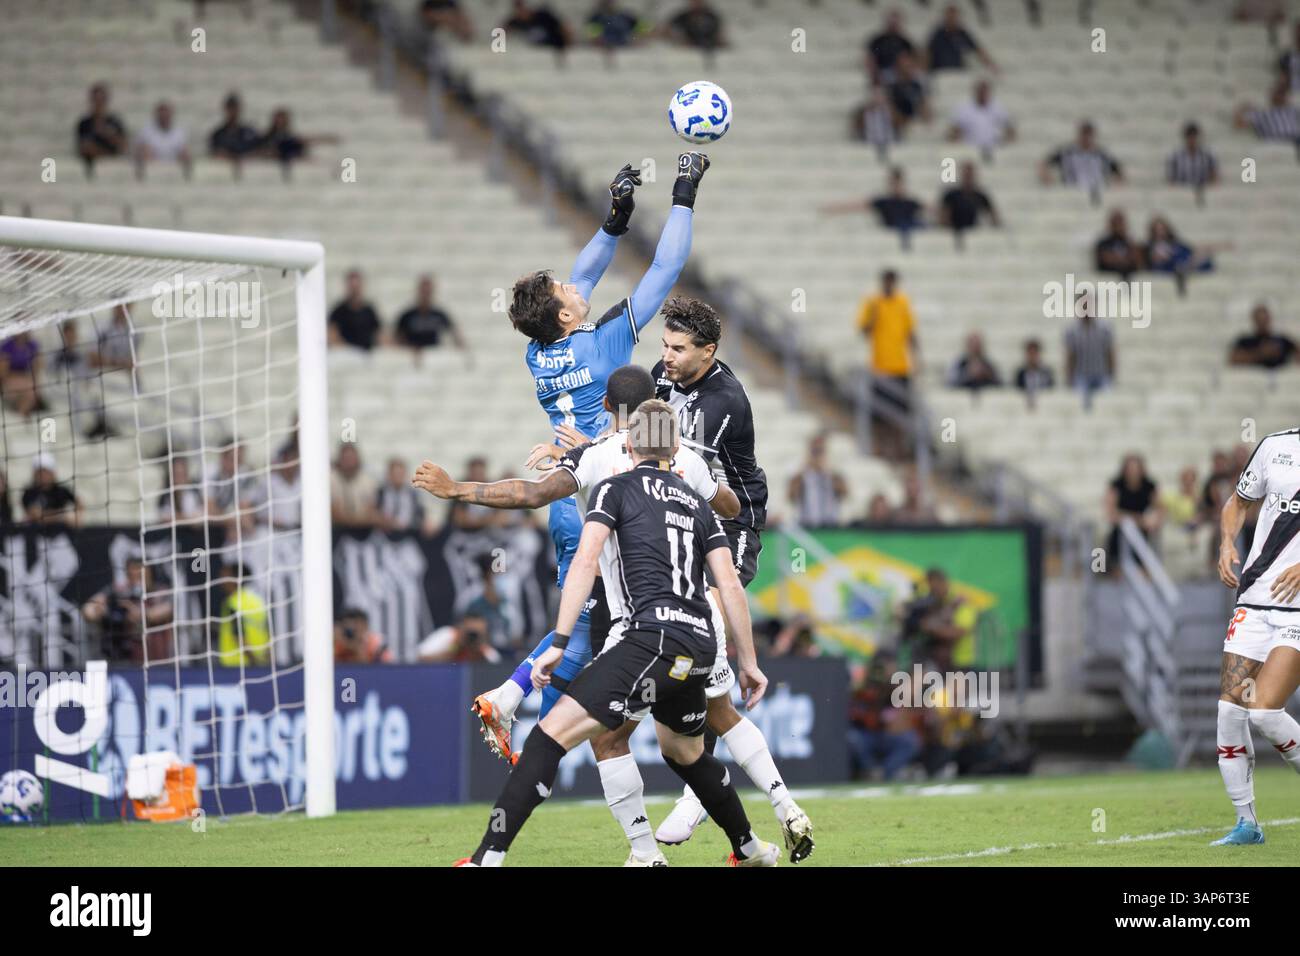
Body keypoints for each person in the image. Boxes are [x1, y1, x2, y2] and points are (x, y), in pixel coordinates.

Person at [455, 402, 782, 867]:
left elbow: (585, 562)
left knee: (549, 737)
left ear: (627, 445)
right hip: (699, 645)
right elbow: (729, 585)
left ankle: (486, 858)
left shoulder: (613, 489)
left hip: (649, 639)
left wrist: (560, 643)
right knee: (684, 751)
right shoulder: (695, 501)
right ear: (675, 449)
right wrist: (748, 663)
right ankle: (749, 848)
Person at [488, 154, 709, 740]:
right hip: (609, 488)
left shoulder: (539, 349)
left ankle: (514, 697)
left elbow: (582, 277)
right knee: (610, 619)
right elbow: (668, 264)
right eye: (563, 288)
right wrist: (684, 192)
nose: (571, 281)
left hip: (568, 493)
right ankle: (525, 710)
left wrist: (616, 220)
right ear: (564, 313)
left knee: (592, 613)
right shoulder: (605, 342)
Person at [1212, 425, 1300, 845]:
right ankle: (1247, 824)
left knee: (1264, 712)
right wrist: (1227, 541)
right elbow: (1238, 502)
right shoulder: (1275, 446)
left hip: (1298, 609)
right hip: (1255, 598)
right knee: (1230, 714)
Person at [81, 557, 174, 664]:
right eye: (132, 576)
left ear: (151, 574)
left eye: (141, 576)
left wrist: (140, 615)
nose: (137, 581)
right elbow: (88, 611)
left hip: (158, 663)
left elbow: (167, 610)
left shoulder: (161, 592)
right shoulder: (118, 592)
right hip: (122, 662)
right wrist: (101, 610)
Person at [848, 651, 921, 780]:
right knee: (853, 737)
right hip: (868, 734)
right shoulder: (865, 686)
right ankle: (871, 770)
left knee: (911, 740)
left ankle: (886, 772)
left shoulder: (897, 688)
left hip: (888, 735)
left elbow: (900, 722)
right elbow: (857, 712)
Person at [856, 269, 919, 418]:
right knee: (880, 414)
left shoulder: (903, 302)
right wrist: (873, 316)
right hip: (879, 366)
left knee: (901, 412)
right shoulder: (872, 303)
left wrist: (917, 359)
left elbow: (910, 332)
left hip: (900, 366)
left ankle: (897, 441)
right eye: (887, 282)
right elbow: (864, 331)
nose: (889, 285)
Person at [898, 568, 976, 670]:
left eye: (935, 587)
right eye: (930, 588)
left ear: (944, 583)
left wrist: (930, 627)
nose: (932, 591)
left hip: (960, 663)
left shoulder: (962, 603)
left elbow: (958, 632)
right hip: (939, 661)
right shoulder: (934, 602)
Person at [1040, 121, 1124, 199]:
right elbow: (1045, 163)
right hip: (1072, 192)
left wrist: (1116, 186)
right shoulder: (1067, 153)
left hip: (1095, 192)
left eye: (1089, 135)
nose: (1086, 138)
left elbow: (1118, 171)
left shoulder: (1101, 155)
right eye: (1084, 134)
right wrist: (1046, 176)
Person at [1105, 453, 1162, 565]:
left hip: (1142, 534)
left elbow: (1159, 508)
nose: (1133, 472)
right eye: (1130, 469)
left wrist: (1153, 520)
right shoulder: (1116, 485)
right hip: (1120, 533)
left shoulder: (1149, 486)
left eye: (1135, 468)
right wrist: (1138, 519)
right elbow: (1111, 513)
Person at [394, 275, 466, 356]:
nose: (425, 295)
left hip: (434, 355)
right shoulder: (408, 315)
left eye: (428, 292)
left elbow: (454, 333)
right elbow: (397, 337)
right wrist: (409, 348)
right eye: (423, 292)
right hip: (412, 354)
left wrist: (461, 347)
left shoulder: (439, 315)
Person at [1065, 291, 1115, 404]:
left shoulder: (1105, 329)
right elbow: (1070, 356)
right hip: (1081, 376)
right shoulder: (1072, 331)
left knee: (1107, 402)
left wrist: (1111, 375)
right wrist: (1069, 379)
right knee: (1078, 402)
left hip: (1101, 375)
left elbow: (1110, 353)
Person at [788, 432, 848, 527]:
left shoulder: (833, 473)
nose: (817, 455)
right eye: (815, 451)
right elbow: (791, 497)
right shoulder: (801, 475)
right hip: (807, 523)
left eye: (820, 451)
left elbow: (844, 493)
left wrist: (827, 471)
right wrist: (805, 469)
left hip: (831, 523)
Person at [216, 563, 270, 667]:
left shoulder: (233, 604)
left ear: (235, 578)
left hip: (235, 666)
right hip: (262, 661)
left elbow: (239, 637)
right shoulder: (257, 601)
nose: (221, 580)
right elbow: (268, 633)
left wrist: (255, 662)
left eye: (224, 576)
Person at [947, 79, 1015, 153]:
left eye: (985, 91)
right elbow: (953, 130)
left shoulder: (998, 108)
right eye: (980, 91)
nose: (983, 94)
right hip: (970, 148)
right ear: (975, 92)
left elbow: (1010, 129)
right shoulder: (964, 109)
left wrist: (1005, 141)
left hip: (994, 148)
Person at [938, 161, 1000, 240]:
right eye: (966, 174)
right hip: (952, 233)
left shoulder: (980, 196)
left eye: (970, 174)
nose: (968, 177)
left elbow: (994, 217)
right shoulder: (951, 195)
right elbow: (943, 218)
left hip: (973, 234)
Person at [925, 4, 996, 72]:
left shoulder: (962, 33)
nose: (952, 19)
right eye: (949, 16)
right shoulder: (938, 33)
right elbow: (928, 52)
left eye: (954, 16)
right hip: (940, 71)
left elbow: (978, 50)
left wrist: (991, 65)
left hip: (958, 70)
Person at [75, 83, 127, 174]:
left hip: (114, 166)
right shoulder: (84, 123)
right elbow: (83, 148)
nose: (99, 103)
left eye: (101, 100)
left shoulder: (115, 121)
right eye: (96, 100)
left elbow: (123, 146)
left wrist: (108, 134)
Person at [1230, 303, 1298, 369]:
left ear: (1269, 319)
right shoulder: (1245, 341)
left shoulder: (1282, 340)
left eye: (1264, 319)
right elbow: (1233, 359)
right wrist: (1261, 353)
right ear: (1254, 320)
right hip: (1252, 377)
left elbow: (1296, 353)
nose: (1262, 322)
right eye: (1259, 319)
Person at [134, 101, 192, 178]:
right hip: (152, 169)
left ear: (171, 115)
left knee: (186, 155)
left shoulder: (179, 132)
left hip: (173, 168)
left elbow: (184, 152)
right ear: (157, 115)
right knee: (144, 152)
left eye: (166, 114)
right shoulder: (146, 132)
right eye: (162, 114)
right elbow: (138, 152)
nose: (164, 117)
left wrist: (184, 156)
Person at [327, 270, 382, 351]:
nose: (355, 291)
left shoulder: (369, 310)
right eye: (352, 287)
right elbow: (333, 334)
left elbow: (378, 334)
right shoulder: (338, 311)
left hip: (367, 354)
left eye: (357, 287)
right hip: (346, 353)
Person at [22, 454, 81, 526]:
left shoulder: (62, 490)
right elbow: (36, 516)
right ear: (34, 474)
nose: (43, 475)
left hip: (61, 533)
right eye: (40, 472)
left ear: (53, 473)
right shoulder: (29, 492)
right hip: (37, 533)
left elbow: (79, 504)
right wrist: (63, 516)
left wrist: (76, 516)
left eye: (46, 472)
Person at [1234, 78, 1300, 140]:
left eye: (1283, 93)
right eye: (1279, 93)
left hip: (1295, 140)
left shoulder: (1293, 110)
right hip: (1275, 141)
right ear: (1272, 94)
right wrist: (1242, 109)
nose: (1282, 96)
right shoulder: (1262, 113)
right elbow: (1239, 126)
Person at [331, 443, 379, 528]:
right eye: (346, 459)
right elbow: (336, 514)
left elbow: (371, 512)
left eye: (351, 458)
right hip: (337, 529)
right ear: (339, 460)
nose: (349, 463)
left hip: (363, 530)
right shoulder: (330, 480)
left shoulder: (368, 481)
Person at [864, 8, 916, 83]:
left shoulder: (904, 41)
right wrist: (875, 74)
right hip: (883, 72)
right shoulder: (878, 41)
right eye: (891, 22)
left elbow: (912, 59)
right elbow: (870, 58)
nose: (894, 24)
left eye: (896, 22)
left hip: (901, 74)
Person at [376, 457, 426, 533]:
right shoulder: (381, 492)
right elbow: (375, 512)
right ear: (389, 475)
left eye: (400, 474)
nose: (397, 477)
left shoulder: (413, 494)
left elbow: (419, 515)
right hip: (385, 533)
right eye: (395, 474)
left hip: (408, 533)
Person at [208, 92, 262, 161]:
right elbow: (214, 152)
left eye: (235, 108)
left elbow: (259, 150)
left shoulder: (249, 133)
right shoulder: (218, 135)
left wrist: (245, 156)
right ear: (226, 109)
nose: (233, 112)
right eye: (230, 108)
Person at [0, 331, 43, 417]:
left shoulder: (32, 345)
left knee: (32, 389)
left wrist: (31, 378)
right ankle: (22, 414)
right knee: (25, 389)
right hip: (10, 380)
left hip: (27, 380)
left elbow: (38, 366)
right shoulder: (7, 346)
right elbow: (3, 373)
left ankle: (23, 413)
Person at [1166, 122, 1218, 190]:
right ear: (1185, 137)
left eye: (1194, 136)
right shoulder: (1175, 157)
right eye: (1189, 136)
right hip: (1182, 191)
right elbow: (1171, 179)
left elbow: (1213, 176)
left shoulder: (1208, 156)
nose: (1192, 140)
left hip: (1203, 189)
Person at [502, 1, 571, 51]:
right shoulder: (515, 21)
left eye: (522, 9)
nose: (521, 13)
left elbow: (563, 27)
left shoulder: (543, 16)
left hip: (554, 48)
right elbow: (502, 30)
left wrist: (568, 42)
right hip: (536, 51)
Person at [1094, 209, 1142, 281]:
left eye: (1120, 223)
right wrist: (1123, 260)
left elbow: (1137, 260)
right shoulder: (1103, 243)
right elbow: (1105, 259)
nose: (1118, 226)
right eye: (1115, 223)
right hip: (1109, 280)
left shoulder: (1130, 242)